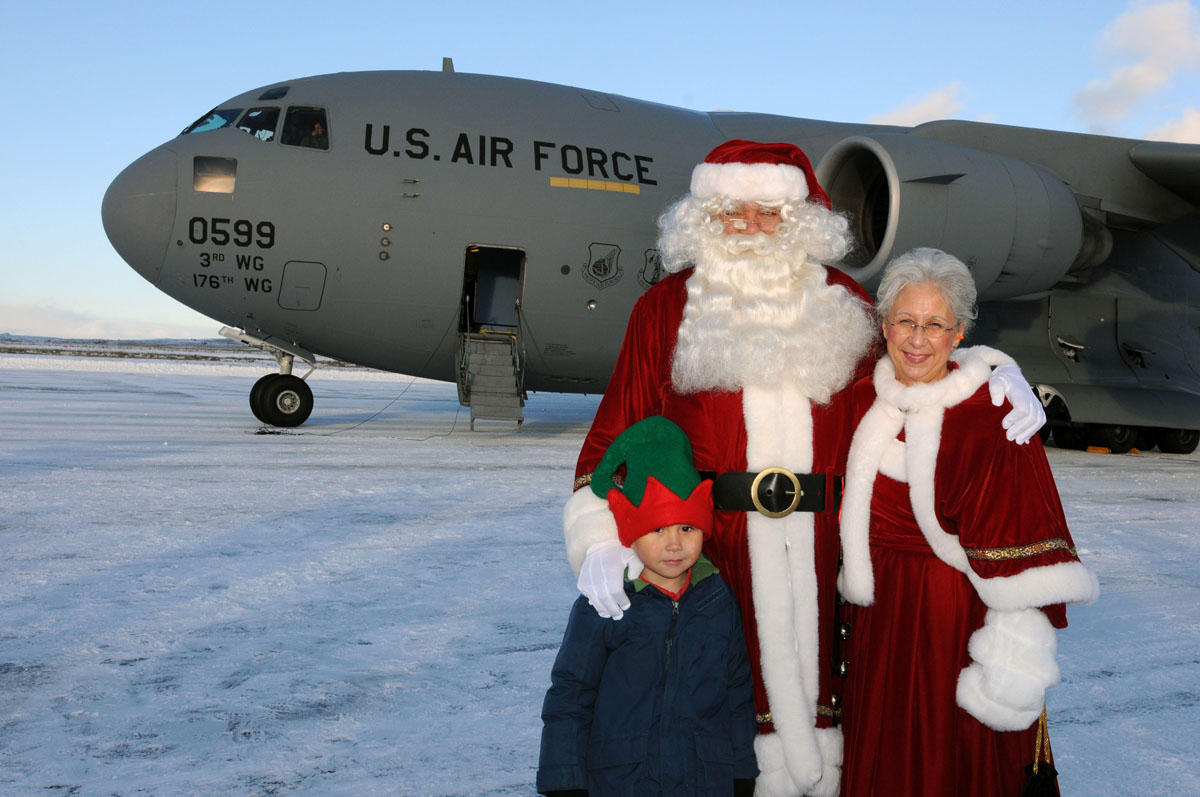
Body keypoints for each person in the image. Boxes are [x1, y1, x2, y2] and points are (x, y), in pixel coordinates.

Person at [562, 140, 1047, 796]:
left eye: (769, 211)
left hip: (832, 557)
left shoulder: (846, 301)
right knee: (723, 731)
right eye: (735, 212)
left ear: (800, 218)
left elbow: (915, 362)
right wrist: (599, 537)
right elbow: (614, 436)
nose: (753, 226)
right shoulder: (665, 309)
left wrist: (988, 369)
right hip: (719, 559)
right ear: (707, 217)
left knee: (847, 727)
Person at [837, 248, 1100, 796]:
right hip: (877, 619)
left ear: (958, 335)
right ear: (883, 326)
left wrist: (1013, 657)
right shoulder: (858, 397)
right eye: (905, 321)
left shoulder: (995, 415)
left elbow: (1027, 542)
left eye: (935, 325)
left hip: (953, 621)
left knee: (947, 756)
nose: (916, 339)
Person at [538, 416, 759, 796]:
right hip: (622, 781)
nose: (674, 544)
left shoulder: (717, 600)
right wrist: (566, 782)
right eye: (658, 529)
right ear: (631, 535)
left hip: (702, 780)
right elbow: (571, 696)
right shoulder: (606, 604)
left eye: (686, 528)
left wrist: (741, 772)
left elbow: (736, 695)